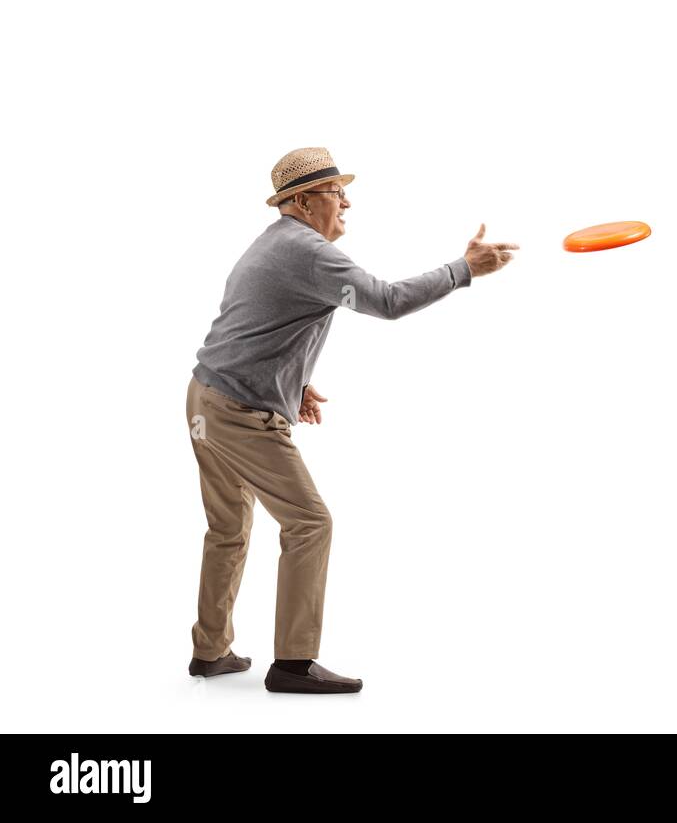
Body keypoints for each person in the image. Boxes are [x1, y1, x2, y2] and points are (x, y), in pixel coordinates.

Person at [185, 146, 518, 693]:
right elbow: (385, 301)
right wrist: (464, 269)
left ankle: (209, 652)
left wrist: (294, 383)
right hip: (240, 413)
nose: (346, 201)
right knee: (309, 522)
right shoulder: (307, 250)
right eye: (335, 191)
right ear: (300, 200)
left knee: (227, 529)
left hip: (205, 399)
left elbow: (254, 322)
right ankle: (293, 665)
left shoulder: (274, 245)